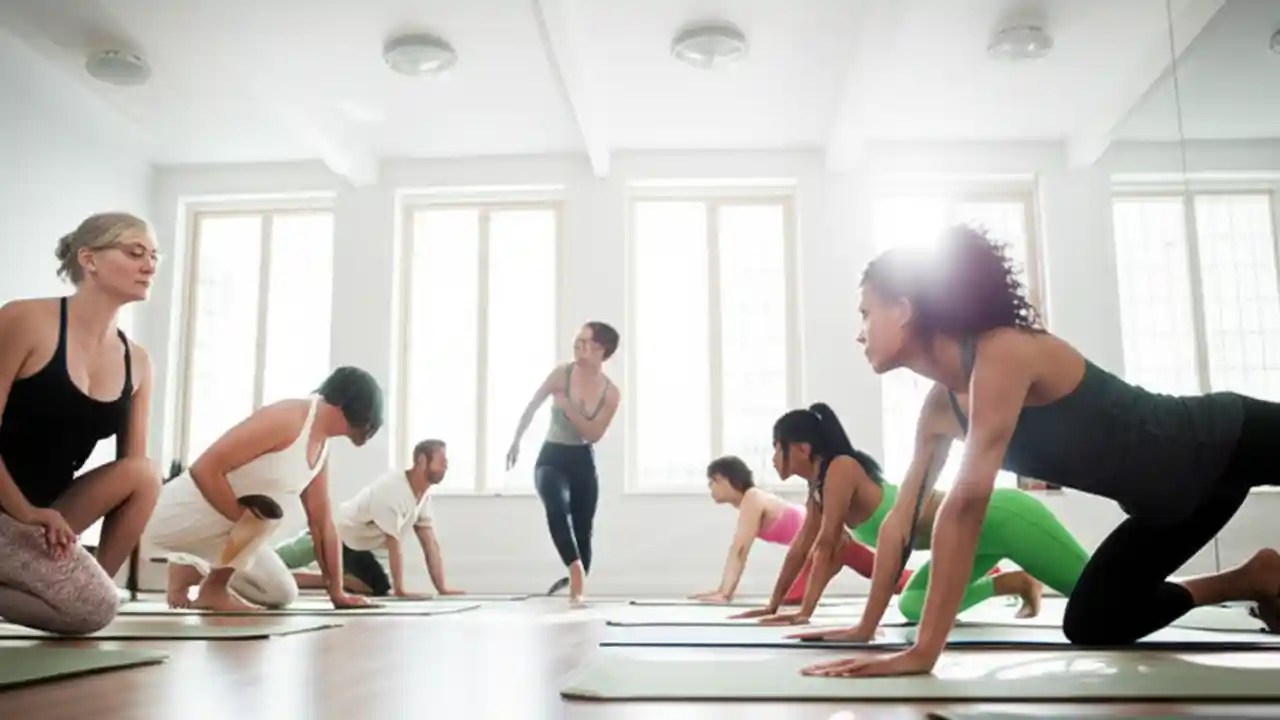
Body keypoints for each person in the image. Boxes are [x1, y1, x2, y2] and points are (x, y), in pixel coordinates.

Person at [801, 224, 1280, 680]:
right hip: (1167, 507)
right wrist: (868, 627)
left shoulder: (1003, 352)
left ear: (903, 309)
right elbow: (900, 521)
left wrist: (925, 650)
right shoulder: (940, 410)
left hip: (1222, 438)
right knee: (1093, 621)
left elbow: (966, 503)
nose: (859, 332)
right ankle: (1254, 577)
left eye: (866, 313)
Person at [733, 403, 1070, 627]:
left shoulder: (841, 470)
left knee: (1104, 597)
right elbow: (801, 547)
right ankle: (1016, 582)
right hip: (968, 541)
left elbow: (826, 545)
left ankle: (1031, 579)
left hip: (1001, 517)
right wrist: (773, 605)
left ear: (803, 448)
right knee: (913, 606)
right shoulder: (819, 487)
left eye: (777, 446)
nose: (774, 456)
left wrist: (804, 614)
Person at [0, 212, 161, 635]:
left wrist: (83, 577)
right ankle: (81, 598)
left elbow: (132, 479)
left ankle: (92, 592)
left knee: (145, 473)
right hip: (14, 506)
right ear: (89, 260)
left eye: (154, 256)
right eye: (135, 252)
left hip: (46, 516)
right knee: (91, 609)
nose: (150, 265)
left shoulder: (139, 362)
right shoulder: (25, 320)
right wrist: (26, 512)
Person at [149, 367, 384, 611]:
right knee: (261, 515)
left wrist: (337, 593)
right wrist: (244, 525)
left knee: (281, 593)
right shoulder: (289, 417)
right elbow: (205, 470)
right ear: (347, 404)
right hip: (185, 516)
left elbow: (322, 523)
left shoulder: (321, 447)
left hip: (230, 530)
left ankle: (191, 568)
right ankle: (211, 587)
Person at [690, 454, 911, 605]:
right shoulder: (751, 501)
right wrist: (723, 591)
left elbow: (739, 549)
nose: (710, 488)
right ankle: (930, 582)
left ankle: (935, 583)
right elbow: (738, 549)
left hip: (831, 541)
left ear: (724, 479)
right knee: (885, 575)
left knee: (888, 577)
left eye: (712, 482)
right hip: (823, 546)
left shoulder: (752, 499)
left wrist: (724, 593)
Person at [506, 321, 621, 607]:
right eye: (576, 341)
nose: (576, 346)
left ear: (599, 350)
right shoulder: (563, 373)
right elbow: (533, 404)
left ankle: (577, 586)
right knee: (555, 506)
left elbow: (593, 434)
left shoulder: (610, 393)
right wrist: (516, 441)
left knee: (583, 528)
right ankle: (574, 570)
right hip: (552, 457)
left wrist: (569, 408)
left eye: (583, 342)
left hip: (582, 461)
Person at [274, 438, 464, 598]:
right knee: (271, 562)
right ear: (422, 460)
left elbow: (430, 544)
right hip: (335, 534)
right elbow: (394, 543)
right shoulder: (394, 489)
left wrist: (442, 588)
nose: (446, 465)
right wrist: (400, 590)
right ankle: (332, 577)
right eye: (442, 460)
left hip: (354, 546)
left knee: (377, 588)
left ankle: (335, 579)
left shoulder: (422, 496)